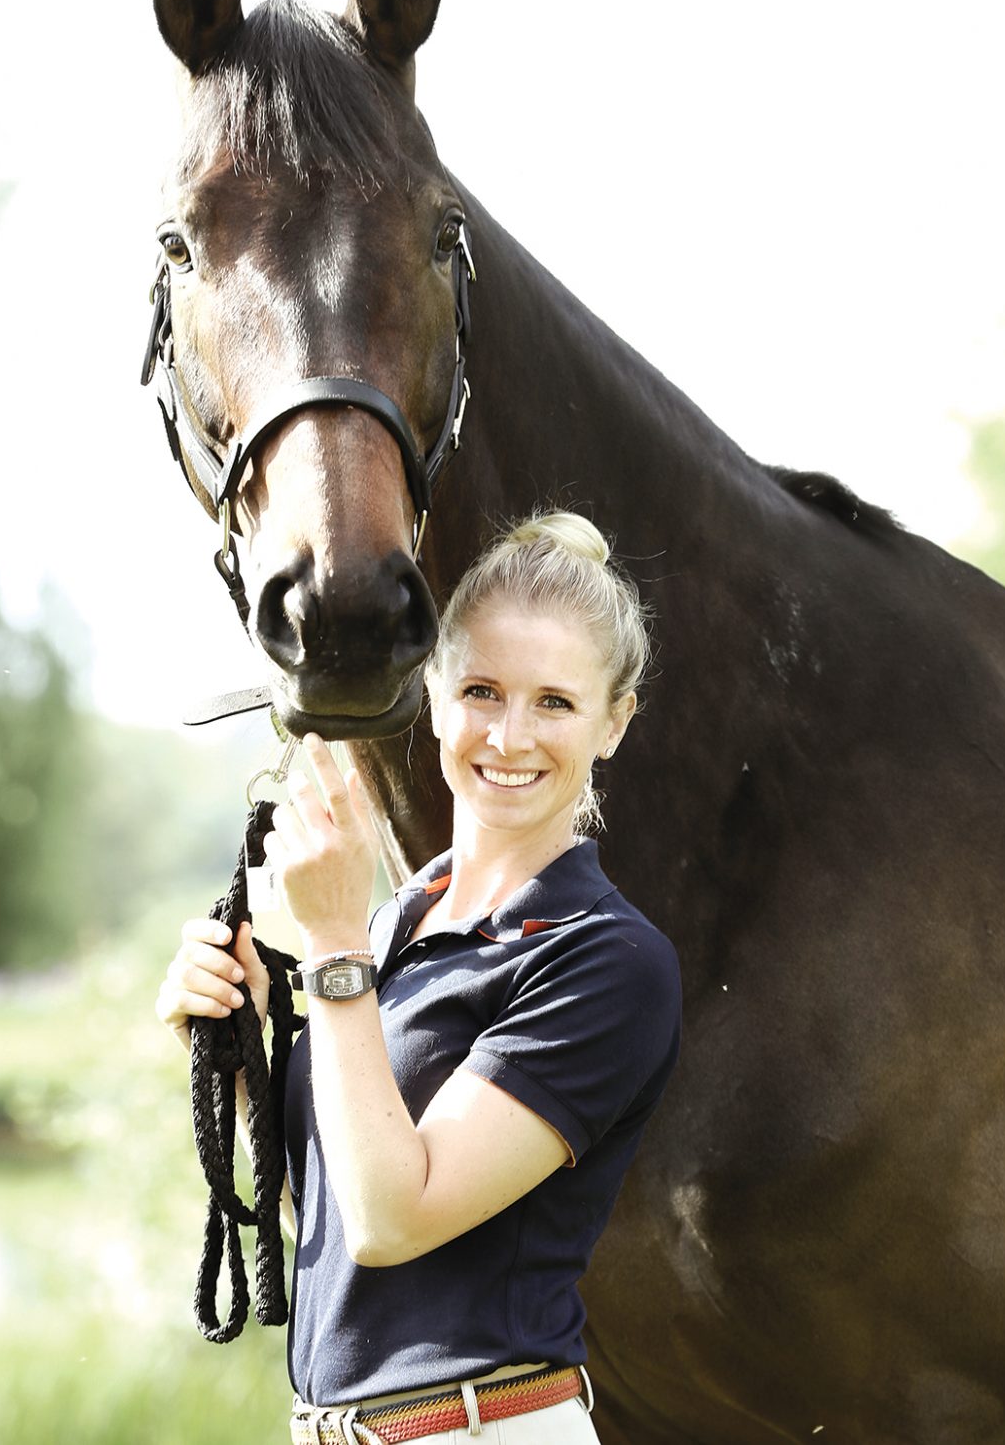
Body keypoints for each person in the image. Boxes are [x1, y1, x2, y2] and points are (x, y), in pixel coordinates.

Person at [157, 511, 681, 1444]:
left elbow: (394, 1221)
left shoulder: (608, 958)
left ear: (614, 723)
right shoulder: (393, 925)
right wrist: (236, 1039)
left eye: (554, 702)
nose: (509, 737)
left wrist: (326, 945)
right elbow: (327, 1209)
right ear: (433, 695)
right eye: (481, 689)